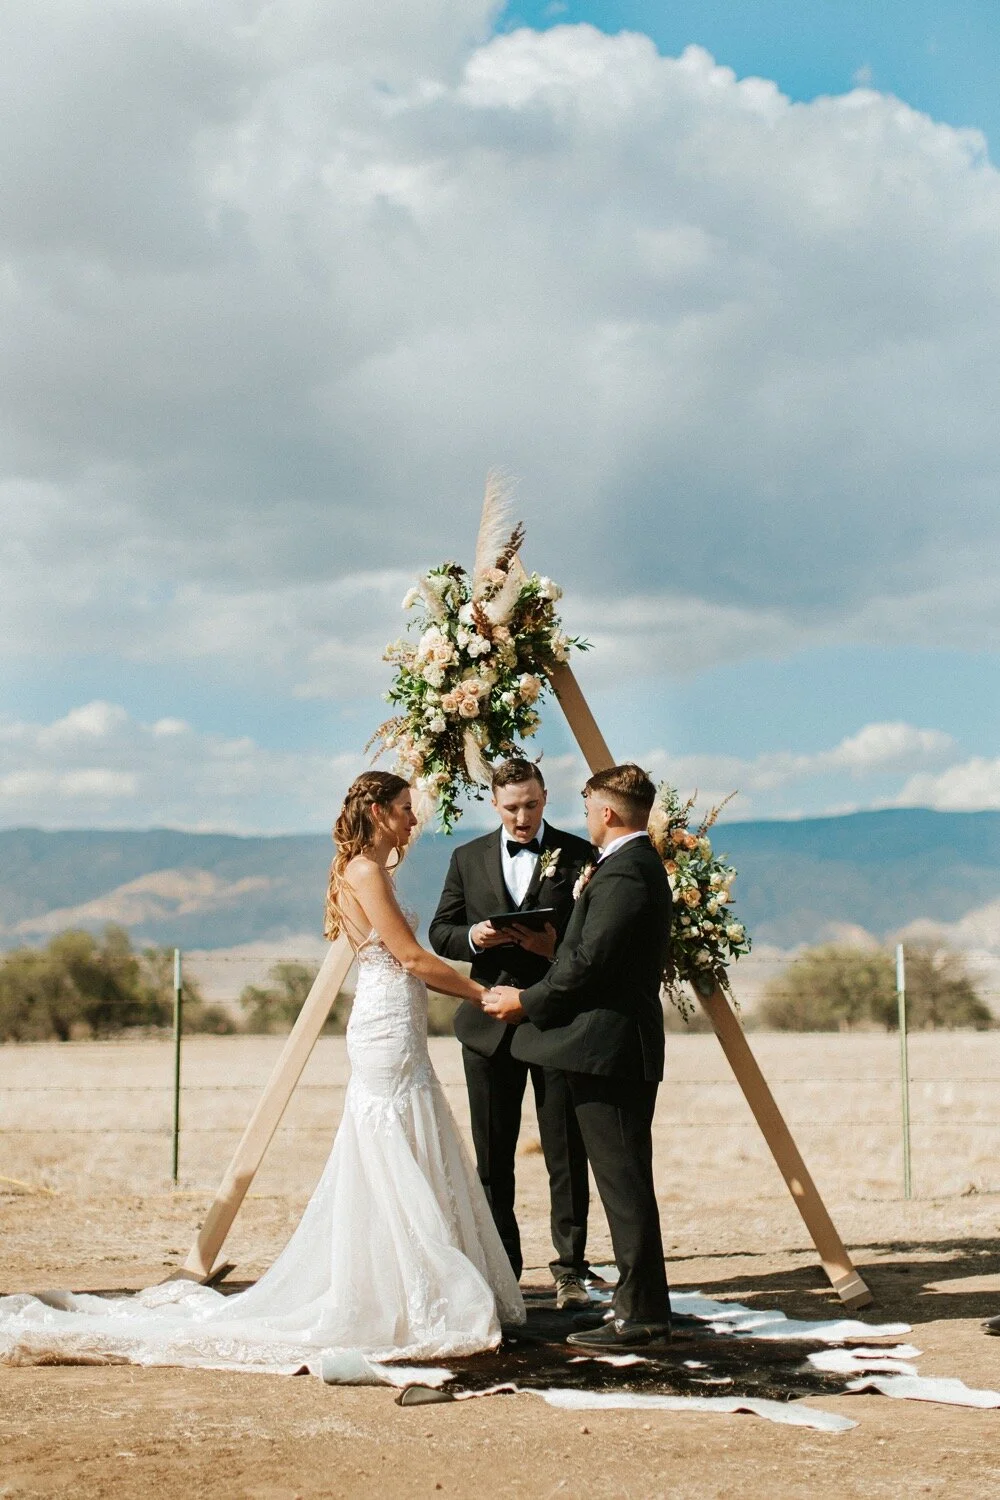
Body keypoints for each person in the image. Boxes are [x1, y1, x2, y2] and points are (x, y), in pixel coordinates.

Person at [0, 771, 524, 1374]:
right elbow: (408, 957)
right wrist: (484, 993)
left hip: (398, 1022)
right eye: (406, 809)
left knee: (411, 1137)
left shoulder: (372, 871)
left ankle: (407, 1287)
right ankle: (404, 1293)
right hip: (384, 1025)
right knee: (389, 1143)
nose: (413, 820)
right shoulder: (364, 872)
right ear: (378, 811)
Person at [483, 763, 673, 1348]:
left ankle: (642, 1317)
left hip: (611, 1051)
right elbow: (590, 952)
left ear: (608, 813)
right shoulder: (625, 868)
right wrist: (552, 946)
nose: (585, 818)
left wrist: (526, 1001)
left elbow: (592, 968)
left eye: (589, 808)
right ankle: (631, 1305)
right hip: (602, 1050)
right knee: (623, 1181)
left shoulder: (625, 874)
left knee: (624, 1184)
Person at [429, 758, 595, 1308]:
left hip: (554, 1022)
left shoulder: (580, 855)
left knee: (565, 1153)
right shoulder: (466, 857)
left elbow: (595, 937)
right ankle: (504, 1271)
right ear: (493, 805)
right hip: (487, 1026)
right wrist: (473, 937)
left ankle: (571, 1270)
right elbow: (440, 931)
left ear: (546, 797)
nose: (522, 818)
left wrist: (555, 947)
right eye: (511, 808)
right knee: (492, 1155)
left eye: (532, 805)